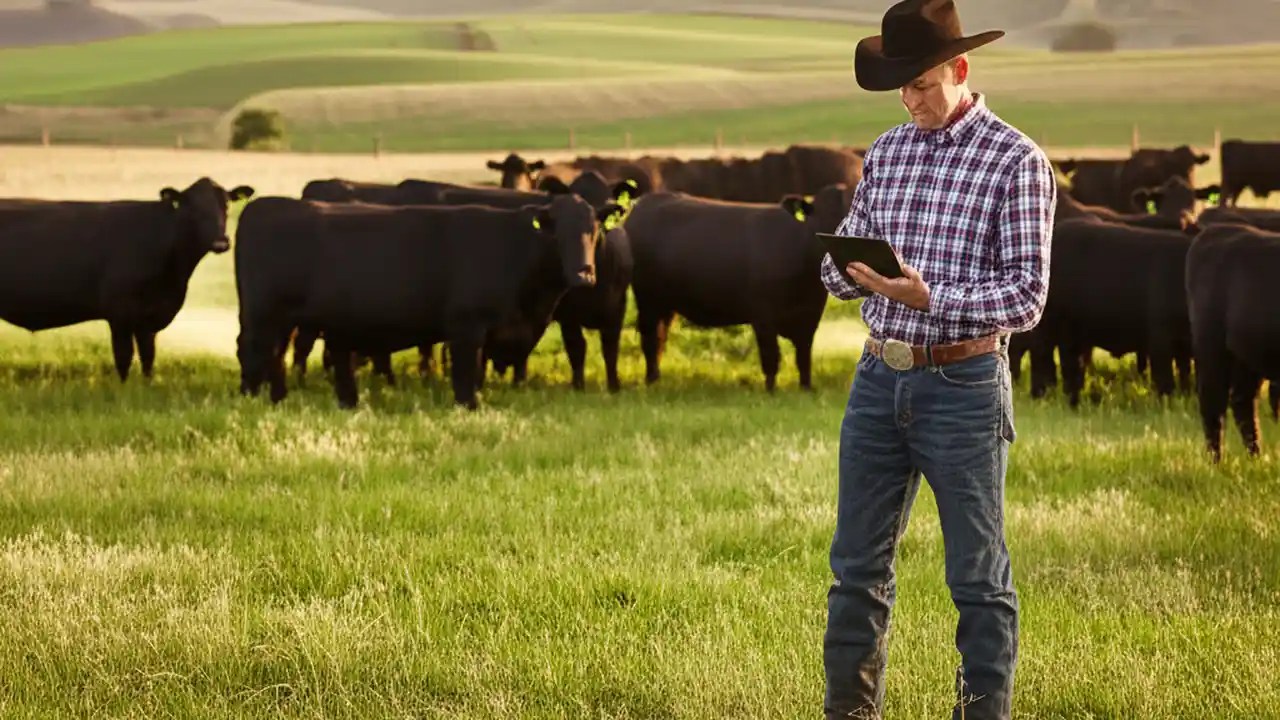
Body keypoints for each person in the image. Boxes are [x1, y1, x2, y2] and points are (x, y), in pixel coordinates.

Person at [819, 1, 1057, 719]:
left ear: (960, 70)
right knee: (855, 572)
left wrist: (930, 298)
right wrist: (843, 269)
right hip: (876, 378)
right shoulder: (887, 151)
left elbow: (1027, 296)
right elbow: (846, 257)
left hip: (964, 383)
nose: (909, 99)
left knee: (977, 577)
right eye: (901, 87)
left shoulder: (1017, 161)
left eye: (921, 83)